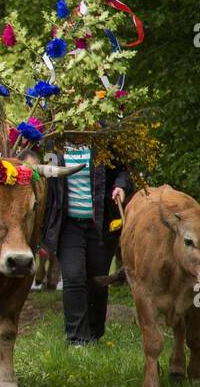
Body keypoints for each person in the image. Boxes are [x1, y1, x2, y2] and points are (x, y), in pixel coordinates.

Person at [41, 142, 132, 346]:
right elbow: (45, 177)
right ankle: (77, 339)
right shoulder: (54, 142)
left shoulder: (103, 139)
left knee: (97, 280)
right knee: (73, 276)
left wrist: (120, 186)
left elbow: (122, 172)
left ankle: (94, 334)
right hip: (68, 225)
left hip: (100, 223)